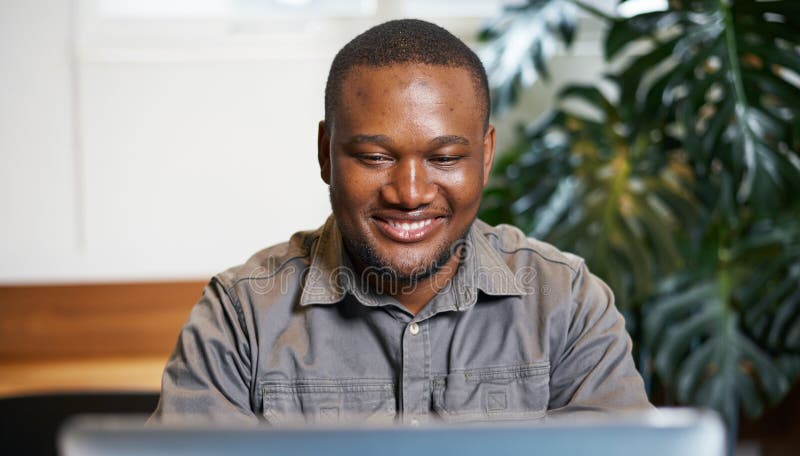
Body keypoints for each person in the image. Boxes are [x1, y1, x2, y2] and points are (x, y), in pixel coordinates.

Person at [151, 19, 652, 425]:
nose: (410, 193)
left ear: (486, 154)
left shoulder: (566, 304)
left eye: (445, 158)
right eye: (374, 157)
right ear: (326, 154)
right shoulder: (242, 319)